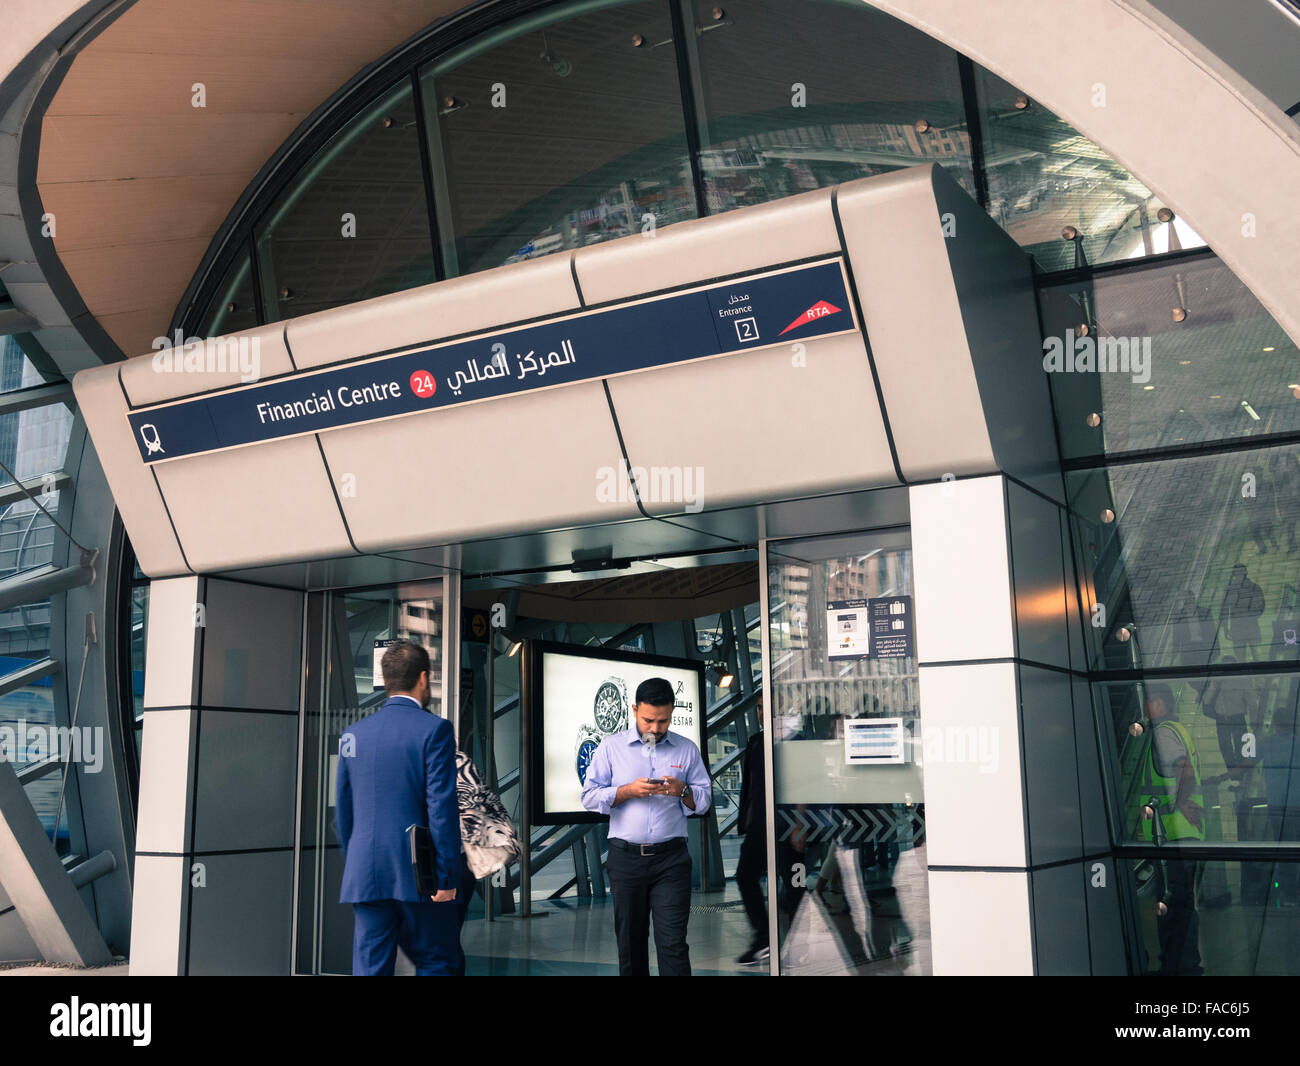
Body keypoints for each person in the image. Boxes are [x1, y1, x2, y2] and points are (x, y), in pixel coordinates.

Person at [335, 639, 475, 976]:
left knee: (370, 968)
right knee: (437, 962)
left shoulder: (353, 735)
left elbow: (344, 812)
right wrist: (445, 876)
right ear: (424, 679)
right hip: (419, 874)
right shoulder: (435, 730)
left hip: (366, 874)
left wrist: (357, 862)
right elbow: (440, 806)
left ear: (385, 679)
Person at [580, 676, 712, 976]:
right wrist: (626, 792)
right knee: (630, 943)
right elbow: (589, 796)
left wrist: (683, 791)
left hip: (672, 861)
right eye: (648, 719)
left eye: (663, 721)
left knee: (674, 944)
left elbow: (704, 800)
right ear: (634, 709)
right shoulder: (611, 747)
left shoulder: (686, 749)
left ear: (672, 712)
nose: (655, 728)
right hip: (625, 860)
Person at [1136, 683, 1204, 976]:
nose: (1145, 711)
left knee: (1172, 905)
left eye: (1149, 704)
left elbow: (1185, 770)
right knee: (1183, 903)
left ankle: (1177, 967)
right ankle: (1184, 965)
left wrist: (1179, 804)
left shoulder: (1163, 733)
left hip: (1172, 834)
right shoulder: (1178, 730)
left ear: (1161, 705)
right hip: (1184, 834)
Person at [1220, 564, 1265, 662]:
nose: (1239, 574)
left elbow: (1261, 607)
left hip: (1250, 626)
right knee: (1241, 657)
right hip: (1237, 628)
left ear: (1245, 573)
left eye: (1241, 572)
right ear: (1234, 574)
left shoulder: (1254, 587)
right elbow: (1224, 609)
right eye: (1237, 572)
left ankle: (1260, 675)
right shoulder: (1229, 589)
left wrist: (1250, 618)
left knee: (1256, 654)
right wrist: (1225, 628)